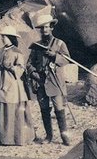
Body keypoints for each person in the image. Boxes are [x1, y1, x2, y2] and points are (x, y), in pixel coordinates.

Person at [27, 10, 72, 145]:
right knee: (44, 109)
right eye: (42, 28)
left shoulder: (59, 44)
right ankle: (49, 136)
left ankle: (64, 136)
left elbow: (67, 59)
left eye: (47, 27)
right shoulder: (36, 46)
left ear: (51, 28)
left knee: (59, 108)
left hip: (55, 80)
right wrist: (33, 73)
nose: (45, 30)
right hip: (40, 81)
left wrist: (54, 56)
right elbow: (29, 63)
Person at [0, 25, 33, 146]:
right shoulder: (0, 51)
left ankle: (11, 139)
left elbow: (21, 69)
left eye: (4, 37)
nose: (2, 39)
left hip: (11, 85)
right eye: (2, 37)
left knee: (11, 110)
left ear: (11, 38)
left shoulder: (17, 52)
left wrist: (11, 67)